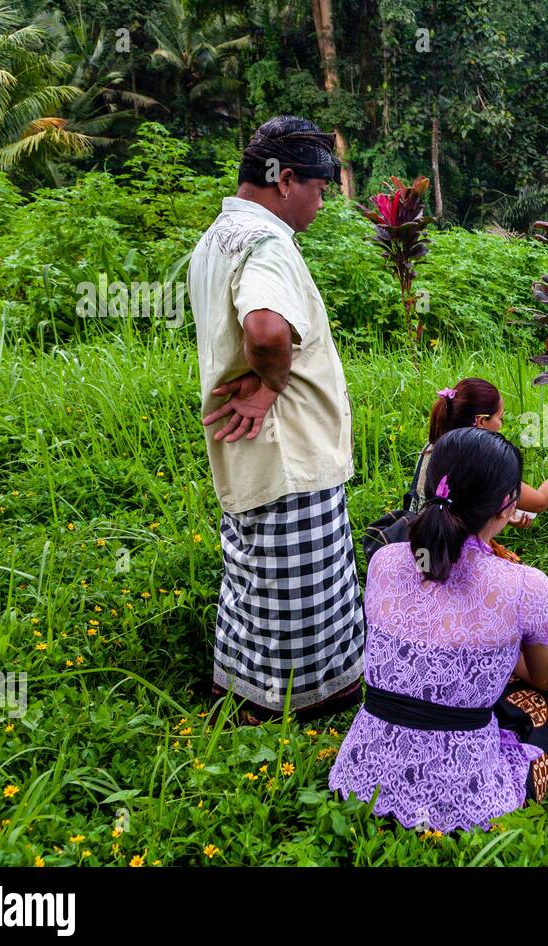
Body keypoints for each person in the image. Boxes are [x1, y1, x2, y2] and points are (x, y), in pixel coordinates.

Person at [187, 116, 364, 724]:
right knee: (300, 594)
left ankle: (244, 696)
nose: (319, 205)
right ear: (285, 180)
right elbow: (265, 329)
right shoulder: (268, 243)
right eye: (318, 191)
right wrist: (270, 385)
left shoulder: (217, 237)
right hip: (290, 456)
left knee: (253, 584)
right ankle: (304, 709)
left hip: (250, 453)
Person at [330, 428, 548, 832]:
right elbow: (546, 675)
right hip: (463, 795)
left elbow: (436, 638)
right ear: (507, 506)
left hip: (362, 780)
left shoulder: (385, 561)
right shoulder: (525, 585)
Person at [407, 377, 548, 523]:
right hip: (448, 554)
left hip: (417, 539)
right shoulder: (479, 459)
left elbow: (456, 502)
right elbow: (540, 501)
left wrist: (499, 511)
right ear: (480, 422)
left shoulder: (433, 447)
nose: (501, 425)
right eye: (500, 418)